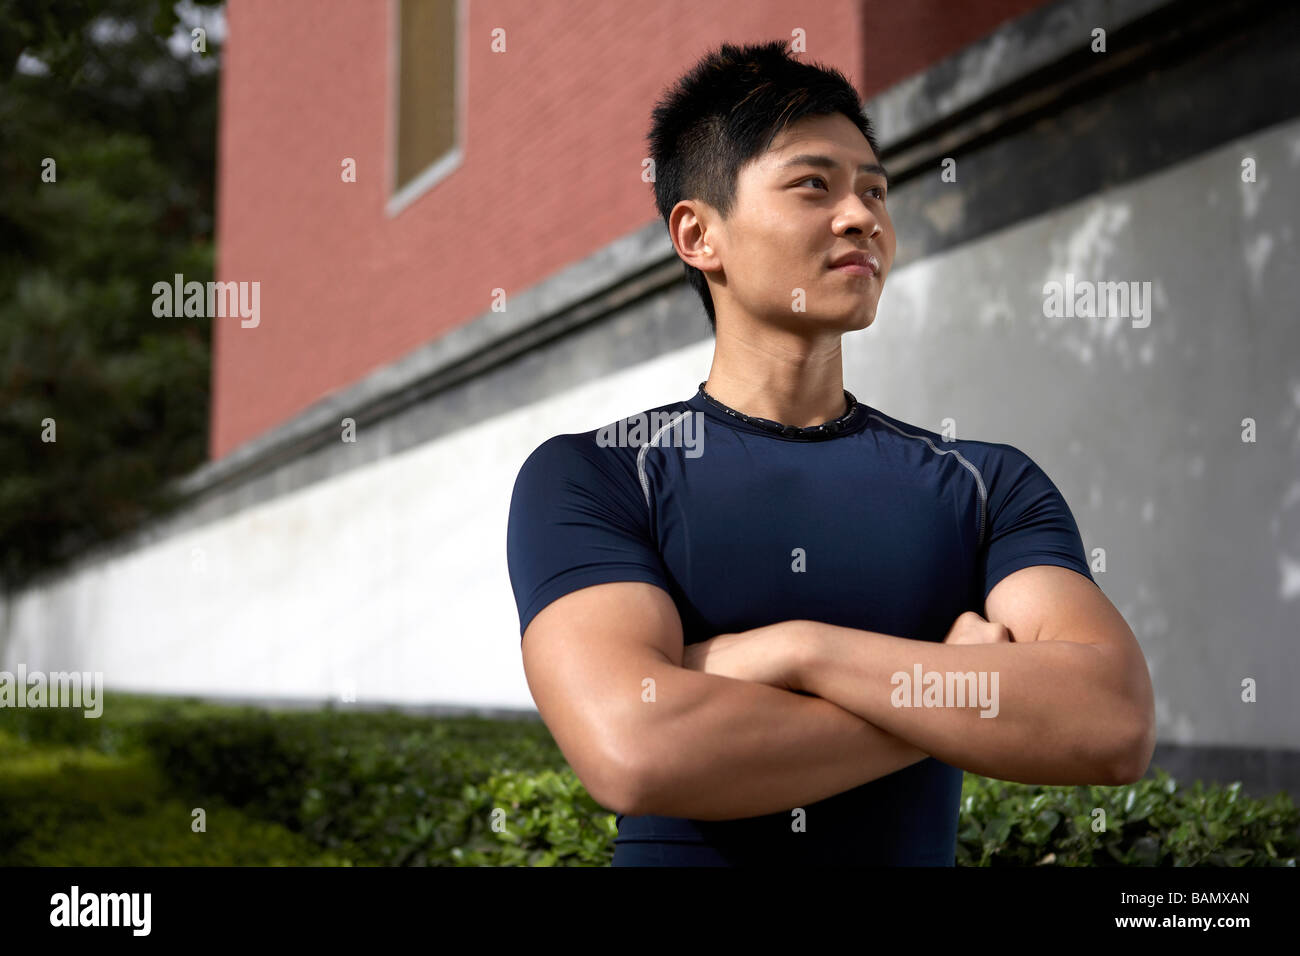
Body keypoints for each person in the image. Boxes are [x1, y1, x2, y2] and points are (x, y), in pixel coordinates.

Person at [506, 40, 1155, 866]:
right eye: (814, 185)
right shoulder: (597, 475)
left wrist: (795, 649)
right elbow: (635, 750)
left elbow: (1108, 720)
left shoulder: (984, 483)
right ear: (699, 233)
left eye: (875, 191)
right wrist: (947, 694)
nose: (863, 217)